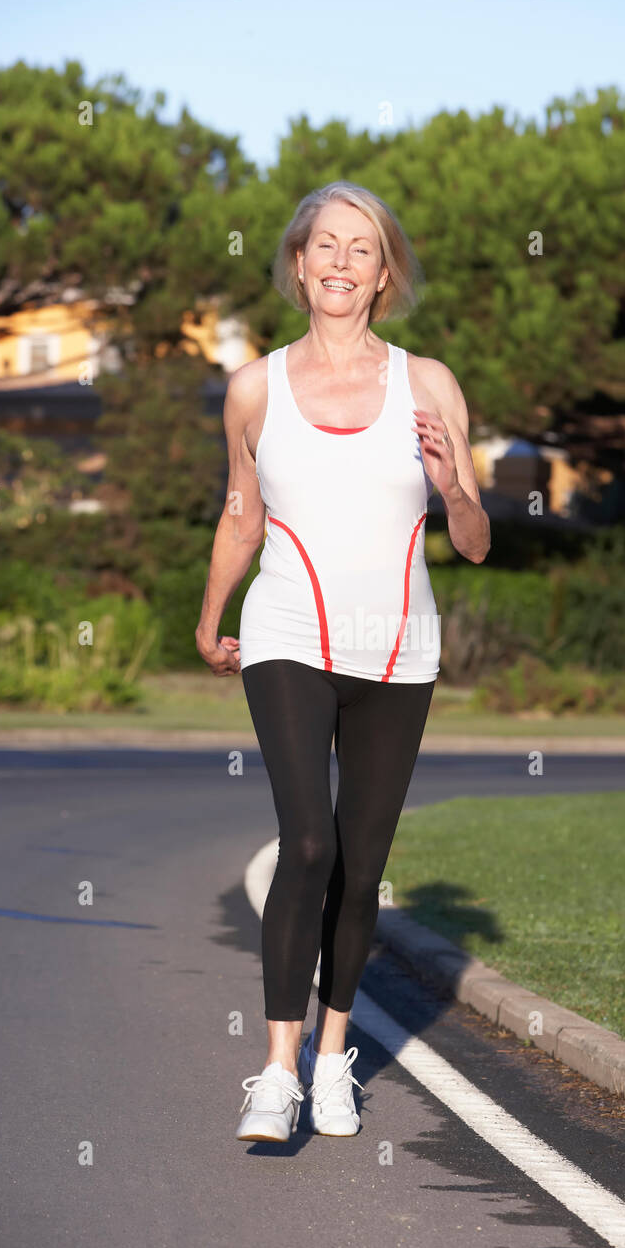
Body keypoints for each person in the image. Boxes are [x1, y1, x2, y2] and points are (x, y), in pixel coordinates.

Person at [195, 180, 490, 1142]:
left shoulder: (429, 382)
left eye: (361, 249)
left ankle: (331, 1060)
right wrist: (211, 616)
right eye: (325, 244)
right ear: (297, 261)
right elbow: (244, 514)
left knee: (361, 870)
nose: (340, 262)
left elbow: (478, 539)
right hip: (286, 631)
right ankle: (275, 1073)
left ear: (383, 273)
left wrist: (454, 489)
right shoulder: (255, 388)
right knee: (307, 845)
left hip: (399, 647)